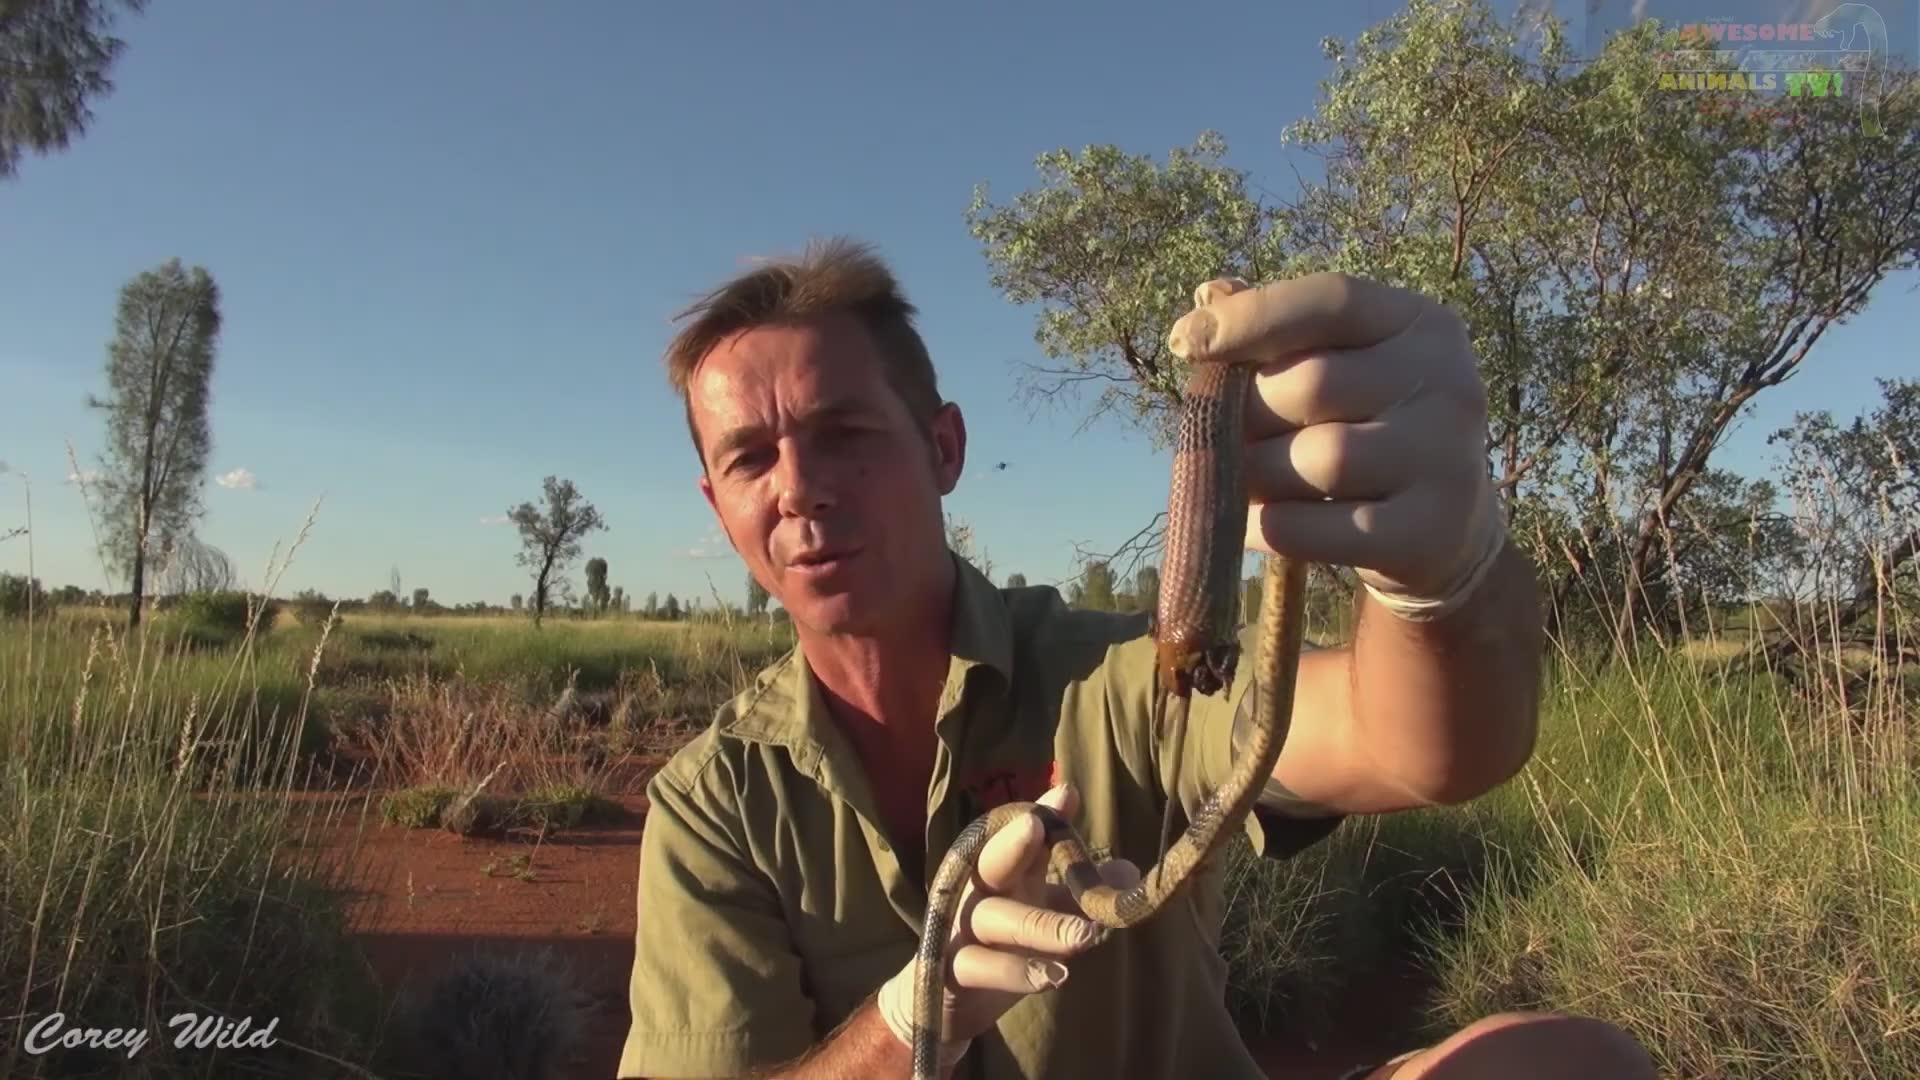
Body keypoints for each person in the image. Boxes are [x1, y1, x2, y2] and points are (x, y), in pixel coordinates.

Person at [617, 237, 1656, 1080]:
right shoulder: (714, 802)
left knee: (1564, 1066)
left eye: (843, 432)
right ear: (719, 505)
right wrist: (910, 1022)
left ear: (943, 450)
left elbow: (1419, 748)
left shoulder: (1114, 678)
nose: (797, 487)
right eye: (750, 457)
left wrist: (1441, 576)